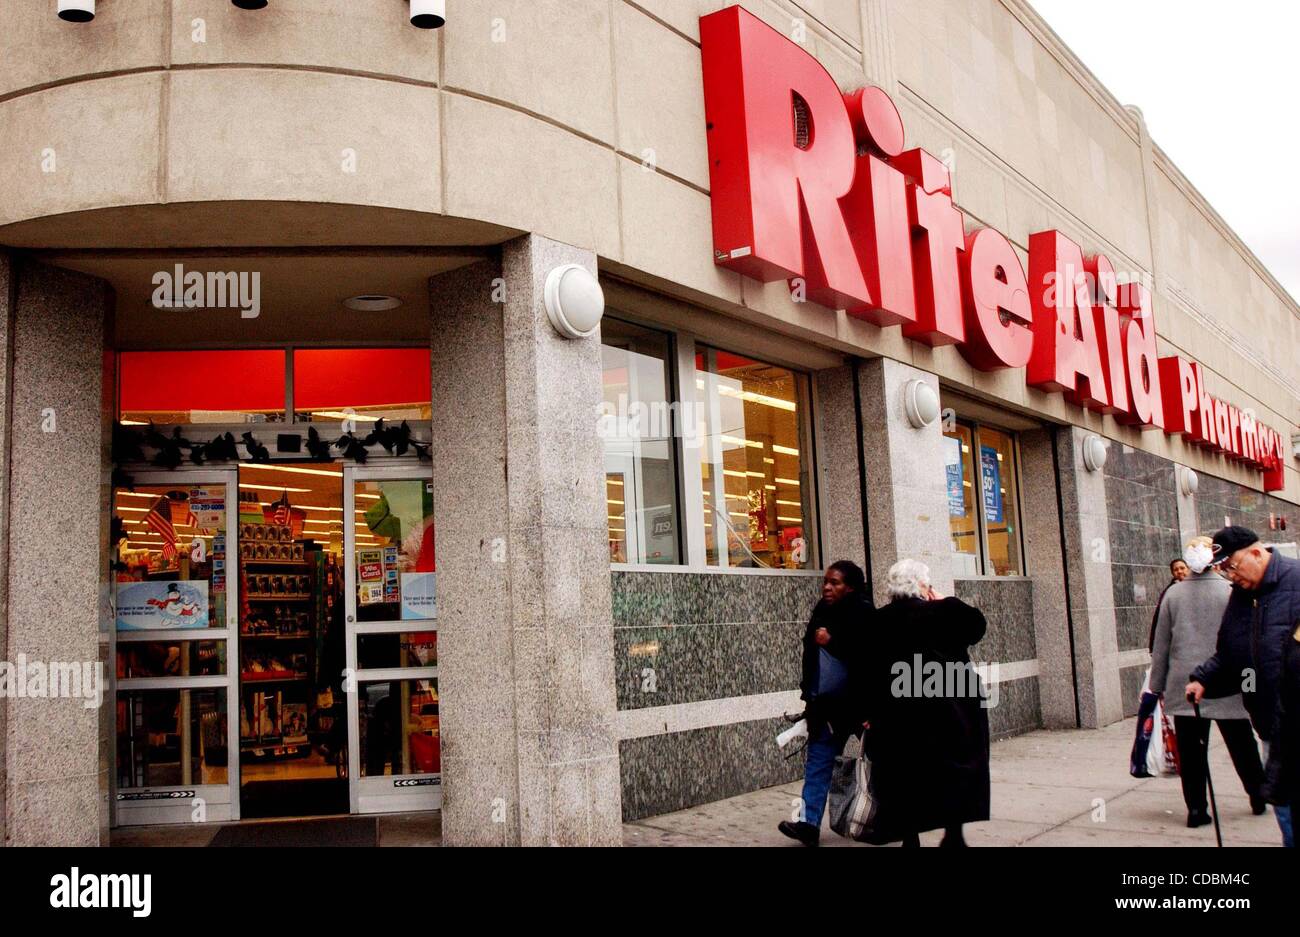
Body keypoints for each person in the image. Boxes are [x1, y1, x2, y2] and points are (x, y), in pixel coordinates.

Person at [860, 559, 990, 847]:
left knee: (905, 775)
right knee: (954, 771)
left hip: (900, 714)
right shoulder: (944, 611)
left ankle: (910, 837)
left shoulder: (880, 621)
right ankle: (953, 835)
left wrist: (869, 711)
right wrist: (947, 600)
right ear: (922, 585)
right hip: (950, 711)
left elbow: (869, 669)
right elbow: (977, 627)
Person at [1186, 526, 1300, 848]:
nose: (1230, 576)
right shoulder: (1241, 596)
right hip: (1271, 724)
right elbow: (1231, 651)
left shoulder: (1296, 580)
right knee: (1286, 808)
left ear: (1255, 552)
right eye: (1223, 570)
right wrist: (1204, 677)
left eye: (1231, 567)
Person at [1149, 536, 1265, 826]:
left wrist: (1157, 685)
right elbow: (1247, 641)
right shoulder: (1231, 592)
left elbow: (1161, 643)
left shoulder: (1173, 595)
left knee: (1191, 753)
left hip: (1184, 685)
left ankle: (1197, 810)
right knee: (1242, 745)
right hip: (1227, 683)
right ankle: (1258, 794)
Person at [778, 559, 873, 847]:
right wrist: (809, 696)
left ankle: (905, 825)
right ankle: (808, 825)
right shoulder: (822, 611)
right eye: (826, 582)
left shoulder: (864, 614)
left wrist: (833, 641)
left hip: (859, 707)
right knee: (818, 763)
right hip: (827, 707)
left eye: (835, 583)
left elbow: (869, 660)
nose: (828, 587)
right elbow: (812, 658)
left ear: (851, 587)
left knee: (883, 762)